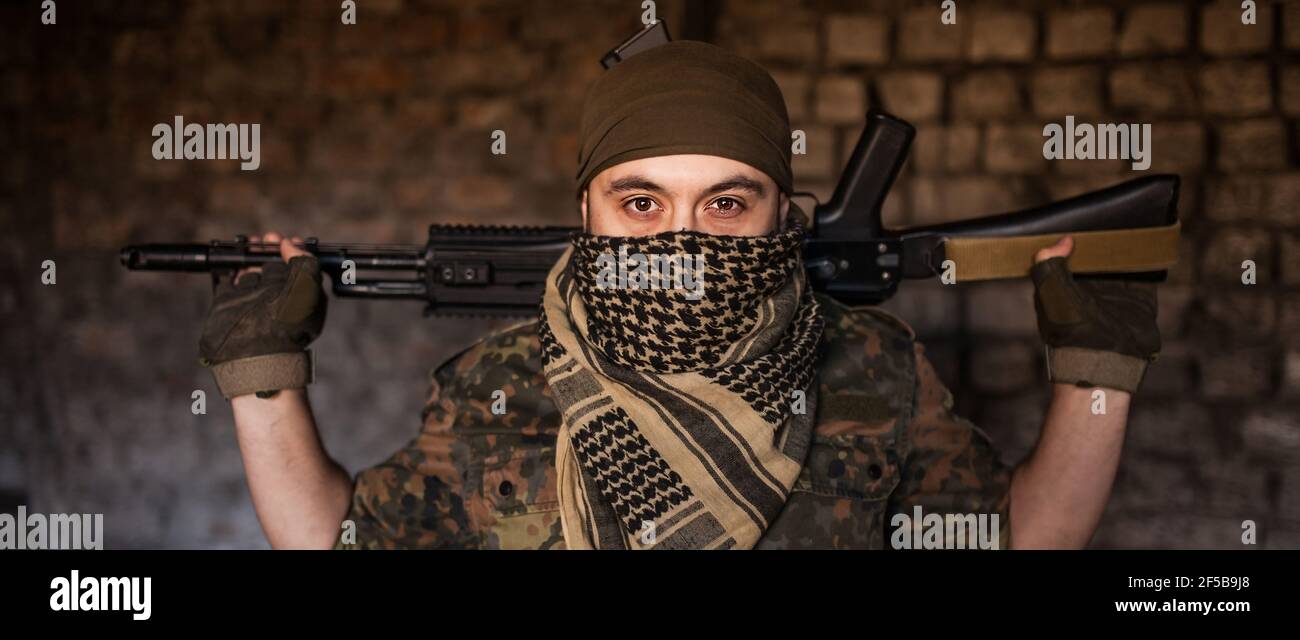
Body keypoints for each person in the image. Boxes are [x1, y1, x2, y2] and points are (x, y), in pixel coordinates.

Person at [197, 41, 1160, 550]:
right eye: (641, 201)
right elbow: (335, 541)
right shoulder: (496, 381)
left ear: (785, 214)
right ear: (589, 208)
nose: (682, 241)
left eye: (728, 202)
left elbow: (1025, 539)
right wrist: (261, 373)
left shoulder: (873, 364)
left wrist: (1096, 372)